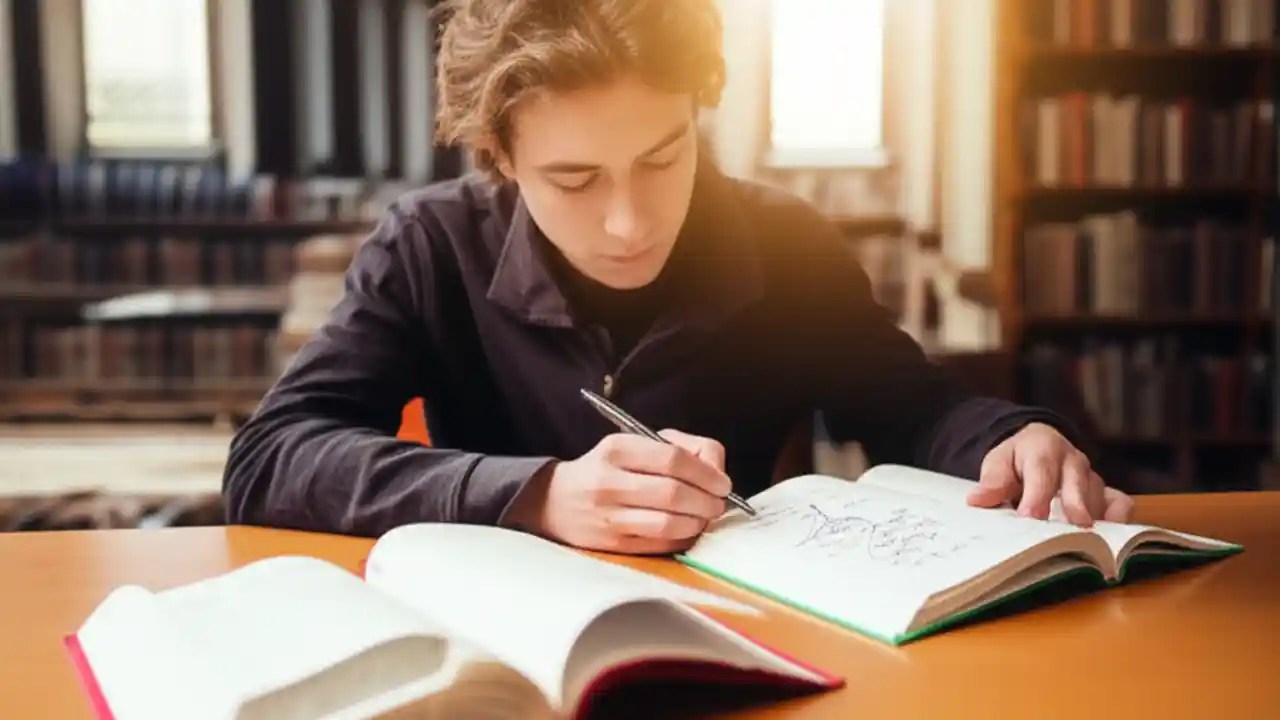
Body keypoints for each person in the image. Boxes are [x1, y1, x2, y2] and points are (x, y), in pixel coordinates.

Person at [222, 0, 1133, 553]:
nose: (629, 222)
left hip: (757, 637)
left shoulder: (784, 243)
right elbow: (271, 458)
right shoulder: (429, 244)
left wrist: (1011, 436)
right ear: (498, 155)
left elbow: (914, 408)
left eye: (664, 158)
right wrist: (534, 494)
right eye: (574, 180)